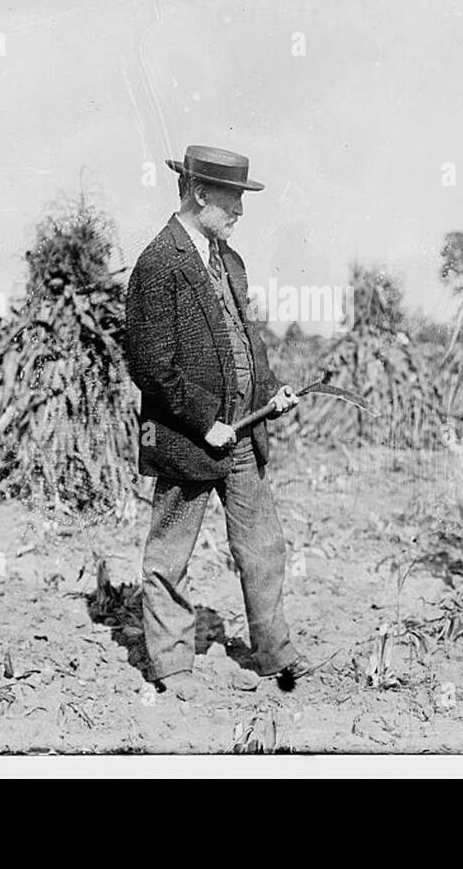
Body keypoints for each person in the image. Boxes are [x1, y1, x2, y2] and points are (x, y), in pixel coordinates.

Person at [122, 144, 314, 701]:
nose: (240, 212)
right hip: (190, 439)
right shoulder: (160, 262)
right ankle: (172, 666)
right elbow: (152, 363)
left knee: (264, 546)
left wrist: (268, 389)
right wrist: (205, 422)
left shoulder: (229, 261)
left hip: (243, 437)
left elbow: (244, 340)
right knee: (169, 554)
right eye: (233, 199)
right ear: (201, 193)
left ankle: (275, 652)